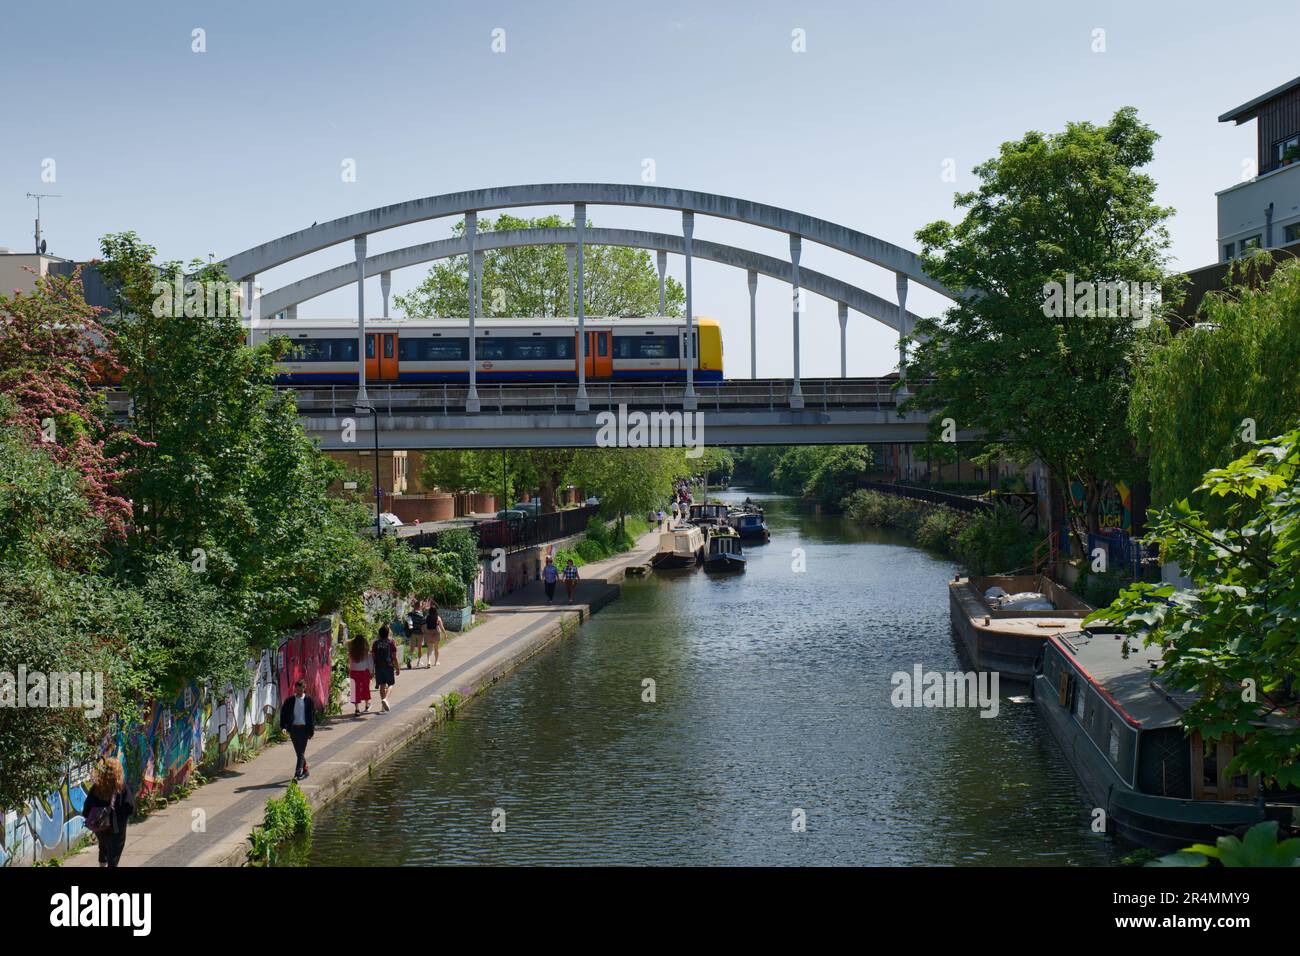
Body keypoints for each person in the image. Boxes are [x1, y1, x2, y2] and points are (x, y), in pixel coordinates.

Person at [83, 756, 134, 868]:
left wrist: (91, 818)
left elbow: (86, 807)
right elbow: (129, 807)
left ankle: (102, 864)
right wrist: (122, 818)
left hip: (100, 825)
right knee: (115, 851)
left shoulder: (96, 787)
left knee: (103, 845)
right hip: (116, 827)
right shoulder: (121, 787)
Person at [279, 679, 315, 780]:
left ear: (304, 688)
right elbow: (284, 714)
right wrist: (284, 727)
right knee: (299, 752)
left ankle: (297, 773)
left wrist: (311, 731)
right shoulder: (289, 701)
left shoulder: (309, 700)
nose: (299, 692)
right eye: (297, 690)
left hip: (304, 729)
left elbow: (312, 717)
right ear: (295, 689)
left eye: (301, 690)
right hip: (293, 729)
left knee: (301, 752)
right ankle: (306, 770)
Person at [371, 624, 399, 711]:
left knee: (382, 686)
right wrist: (397, 667)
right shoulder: (391, 642)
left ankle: (383, 707)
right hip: (388, 666)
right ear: (388, 633)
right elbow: (394, 657)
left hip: (378, 667)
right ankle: (385, 699)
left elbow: (373, 656)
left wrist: (373, 668)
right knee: (390, 684)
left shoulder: (376, 643)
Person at [348, 633, 372, 715]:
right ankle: (366, 705)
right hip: (364, 672)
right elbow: (370, 663)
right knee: (366, 688)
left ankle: (357, 709)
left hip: (354, 672)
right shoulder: (366, 652)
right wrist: (372, 672)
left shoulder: (351, 652)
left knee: (355, 690)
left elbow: (350, 663)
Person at [405, 600, 428, 668]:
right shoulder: (421, 616)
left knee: (412, 648)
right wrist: (425, 633)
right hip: (420, 633)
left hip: (412, 633)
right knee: (419, 648)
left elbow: (408, 623)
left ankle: (409, 659)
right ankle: (419, 661)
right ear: (419, 607)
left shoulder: (409, 614)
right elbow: (423, 626)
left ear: (414, 606)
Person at [425, 598, 445, 667]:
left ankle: (429, 661)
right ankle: (436, 662)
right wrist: (445, 634)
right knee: (436, 648)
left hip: (428, 634)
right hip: (436, 634)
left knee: (429, 649)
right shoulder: (438, 618)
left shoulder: (427, 617)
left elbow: (424, 626)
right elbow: (442, 627)